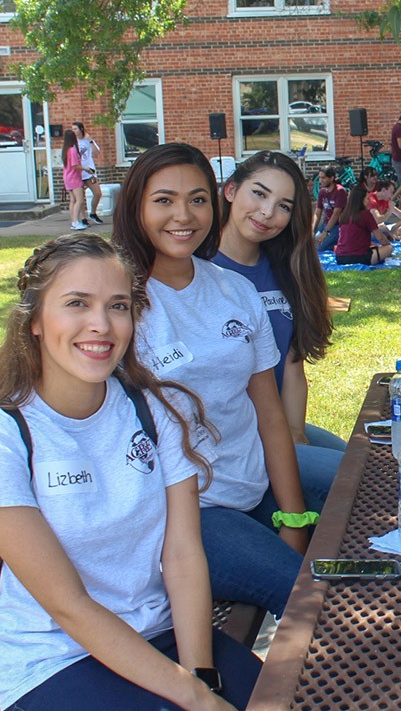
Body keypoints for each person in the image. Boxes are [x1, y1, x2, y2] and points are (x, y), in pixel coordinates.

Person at [0, 233, 261, 710]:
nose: (101, 325)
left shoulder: (157, 410)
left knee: (289, 696)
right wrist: (191, 697)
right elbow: (68, 605)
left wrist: (202, 677)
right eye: (76, 303)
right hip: (56, 657)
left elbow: (183, 554)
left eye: (117, 306)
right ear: (34, 321)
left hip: (160, 633)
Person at [112, 142, 338, 617]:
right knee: (313, 602)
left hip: (254, 482)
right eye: (164, 200)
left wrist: (295, 519)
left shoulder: (234, 289)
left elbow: (269, 414)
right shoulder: (115, 300)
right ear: (136, 205)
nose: (184, 215)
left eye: (197, 199)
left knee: (361, 501)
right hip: (189, 514)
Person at [214, 151, 346, 453]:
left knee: (359, 462)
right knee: (348, 483)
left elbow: (293, 365)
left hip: (277, 423)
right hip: (232, 440)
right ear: (231, 190)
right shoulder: (199, 270)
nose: (267, 212)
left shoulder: (286, 269)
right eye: (259, 194)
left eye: (283, 206)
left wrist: (296, 435)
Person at [334, 183, 395, 266]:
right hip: (360, 257)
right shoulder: (366, 214)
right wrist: (387, 245)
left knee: (376, 247)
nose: (369, 201)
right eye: (367, 199)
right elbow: (381, 238)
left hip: (340, 257)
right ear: (361, 200)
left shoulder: (344, 215)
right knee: (389, 249)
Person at [72, 121, 104, 225]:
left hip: (89, 172)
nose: (74, 131)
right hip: (78, 173)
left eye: (75, 129)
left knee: (97, 193)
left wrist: (90, 141)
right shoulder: (73, 142)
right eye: (72, 129)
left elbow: (97, 152)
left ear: (81, 129)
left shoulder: (87, 140)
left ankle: (93, 213)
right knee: (80, 198)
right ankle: (83, 218)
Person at [314, 166, 347, 251]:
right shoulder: (322, 192)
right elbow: (317, 213)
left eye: (323, 178)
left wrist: (325, 232)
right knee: (310, 244)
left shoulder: (340, 191)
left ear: (331, 178)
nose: (320, 180)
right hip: (326, 224)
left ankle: (339, 245)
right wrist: (312, 229)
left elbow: (336, 214)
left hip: (337, 226)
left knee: (319, 248)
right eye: (320, 177)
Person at [62, 129, 87, 231]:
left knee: (72, 200)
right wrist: (86, 169)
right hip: (74, 178)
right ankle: (76, 221)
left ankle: (74, 221)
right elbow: (75, 165)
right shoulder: (72, 150)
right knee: (79, 200)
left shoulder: (65, 150)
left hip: (67, 177)